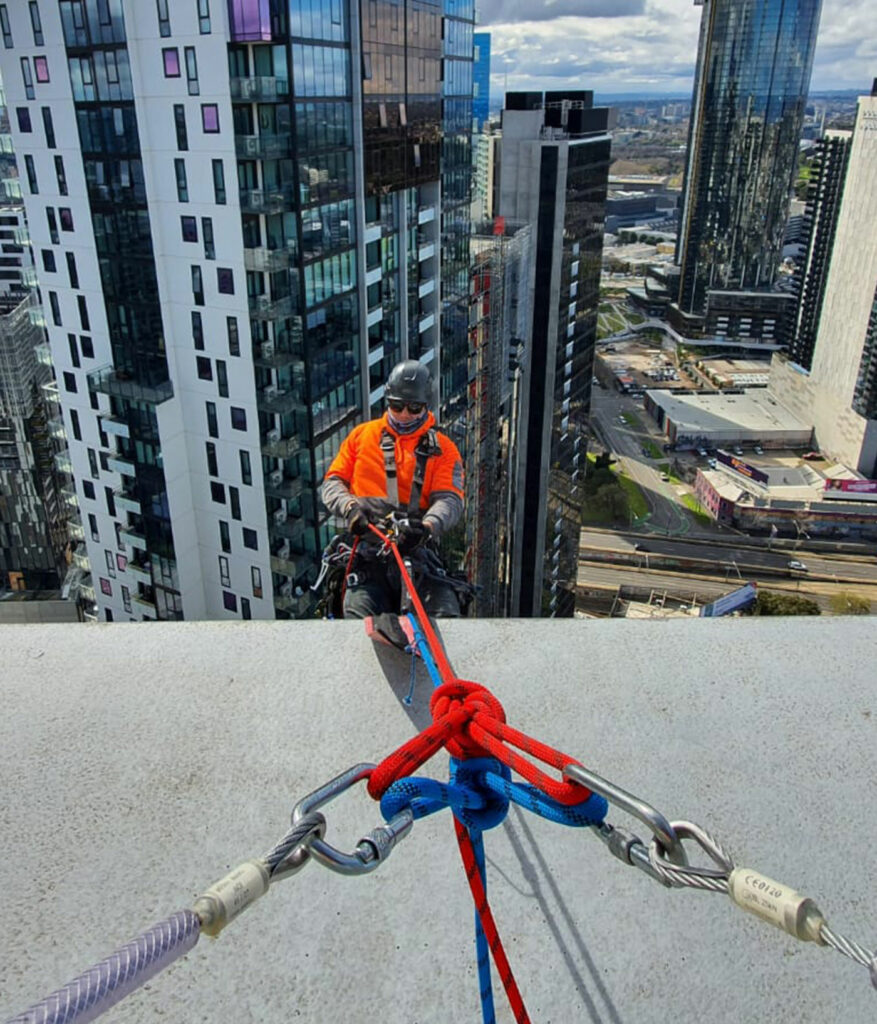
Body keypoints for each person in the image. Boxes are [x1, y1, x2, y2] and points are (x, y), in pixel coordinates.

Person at [321, 360, 465, 624]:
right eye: (397, 406)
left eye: (414, 408)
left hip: (417, 551)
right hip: (368, 551)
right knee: (358, 618)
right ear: (387, 401)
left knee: (446, 618)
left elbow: (450, 499)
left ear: (426, 406)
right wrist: (350, 509)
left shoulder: (444, 449)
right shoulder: (361, 436)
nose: (405, 414)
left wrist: (427, 526)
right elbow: (333, 482)